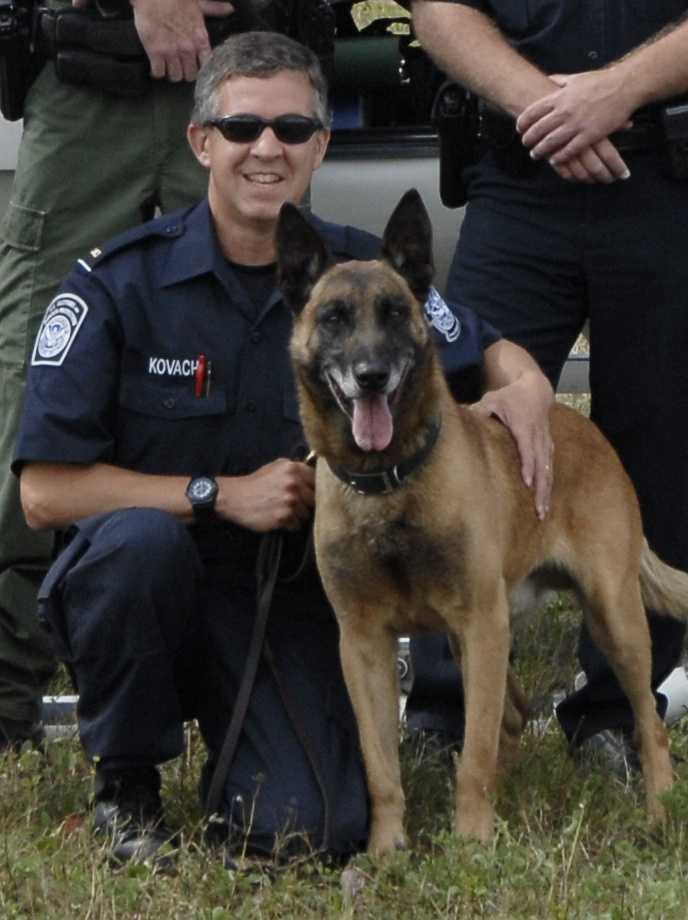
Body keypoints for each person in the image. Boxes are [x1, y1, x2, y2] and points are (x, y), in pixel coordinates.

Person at [12, 30, 555, 865]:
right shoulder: (117, 283)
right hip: (154, 598)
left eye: (293, 129)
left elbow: (484, 348)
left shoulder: (358, 283)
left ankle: (258, 763)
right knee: (136, 544)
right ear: (201, 143)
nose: (267, 148)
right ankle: (126, 788)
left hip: (285, 608)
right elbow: (45, 492)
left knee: (311, 831)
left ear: (321, 143)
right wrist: (216, 494)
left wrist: (527, 388)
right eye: (241, 129)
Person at [407, 0, 688, 761]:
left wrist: (618, 90)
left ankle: (617, 715)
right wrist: (545, 105)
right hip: (519, 174)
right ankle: (443, 707)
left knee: (660, 441)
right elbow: (437, 8)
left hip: (667, 177)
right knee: (453, 422)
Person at [0, 0, 237, 751]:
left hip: (244, 79)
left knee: (256, 376)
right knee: (33, 394)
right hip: (89, 83)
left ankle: (261, 672)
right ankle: (6, 688)